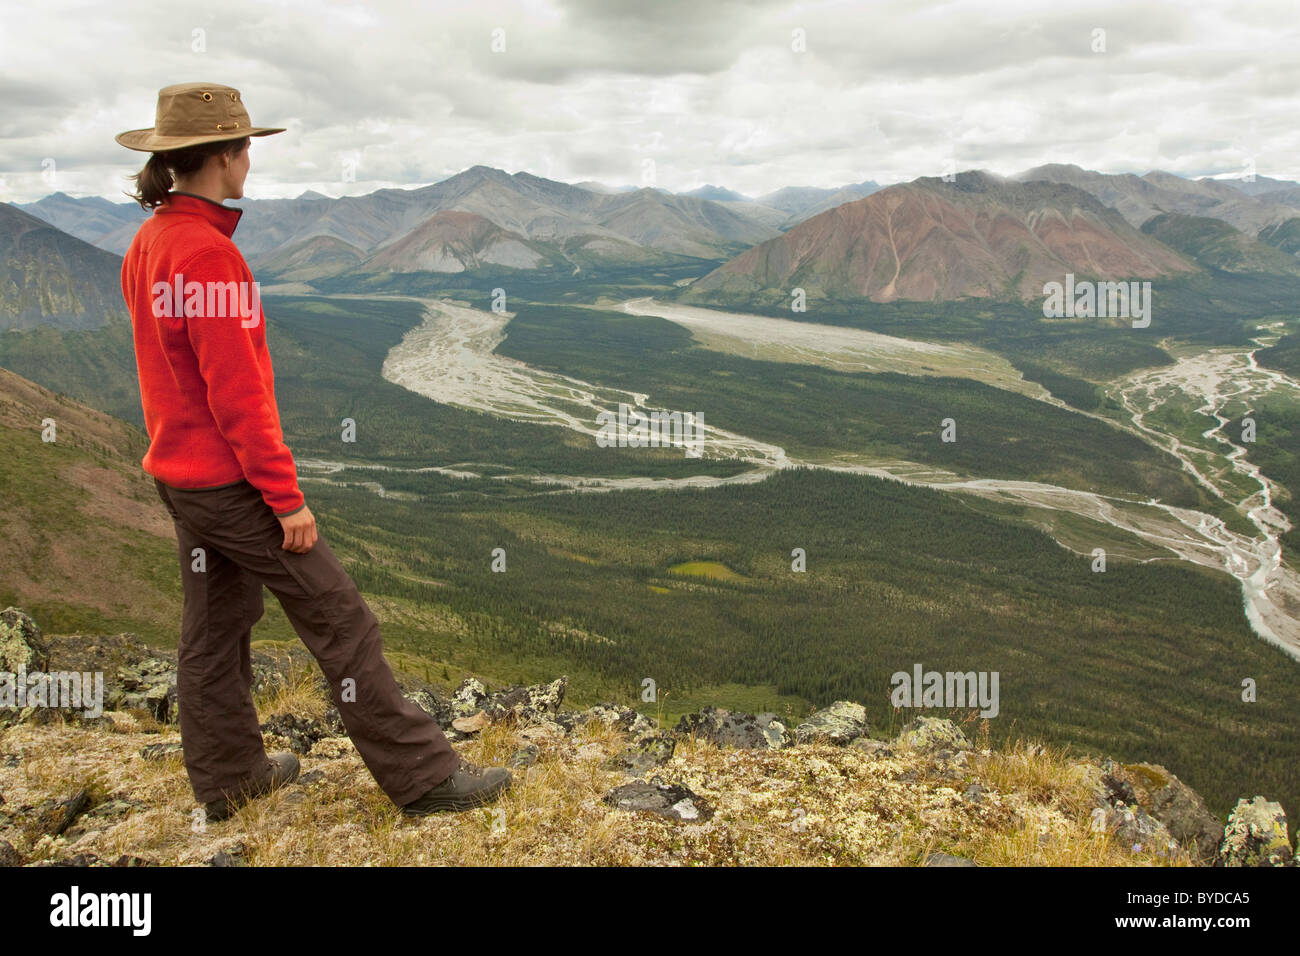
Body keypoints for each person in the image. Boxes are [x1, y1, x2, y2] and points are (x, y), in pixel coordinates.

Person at [115, 82, 511, 821]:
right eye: (246, 149)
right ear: (226, 156)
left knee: (214, 629)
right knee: (341, 619)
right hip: (231, 484)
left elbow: (167, 370)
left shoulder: (152, 242)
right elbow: (238, 396)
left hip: (180, 476)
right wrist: (285, 497)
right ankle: (425, 778)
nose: (250, 163)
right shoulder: (207, 257)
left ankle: (231, 779)